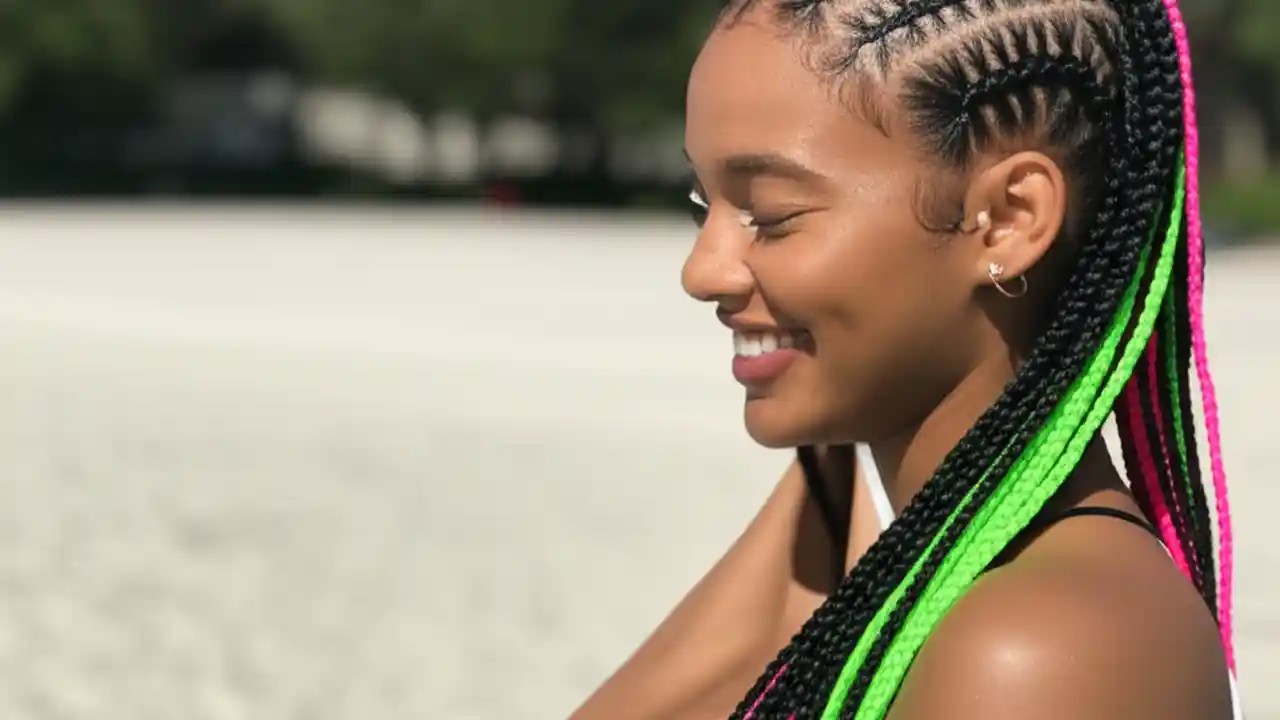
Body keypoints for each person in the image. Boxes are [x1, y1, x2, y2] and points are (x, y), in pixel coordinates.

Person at [573, 0, 1240, 718]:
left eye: (770, 216)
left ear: (1008, 220)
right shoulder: (879, 536)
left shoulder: (1041, 650)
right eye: (702, 205)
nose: (701, 271)